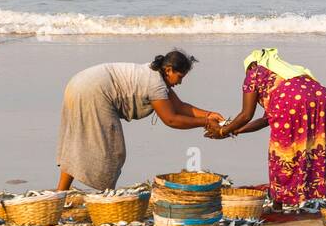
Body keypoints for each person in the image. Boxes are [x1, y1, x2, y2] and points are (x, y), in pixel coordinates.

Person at [207, 49, 326, 211]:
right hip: (322, 96)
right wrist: (235, 130)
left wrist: (223, 131)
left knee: (282, 152)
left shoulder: (253, 73)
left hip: (291, 102)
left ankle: (278, 204)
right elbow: (265, 120)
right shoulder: (289, 72)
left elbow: (245, 115)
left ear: (251, 66)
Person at [55, 51, 223, 191]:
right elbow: (171, 119)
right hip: (94, 91)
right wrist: (205, 123)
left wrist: (209, 115)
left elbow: (178, 106)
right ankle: (105, 200)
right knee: (113, 151)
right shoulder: (155, 84)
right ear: (169, 70)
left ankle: (60, 193)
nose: (180, 82)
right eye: (179, 77)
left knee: (77, 142)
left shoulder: (154, 73)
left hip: (78, 83)